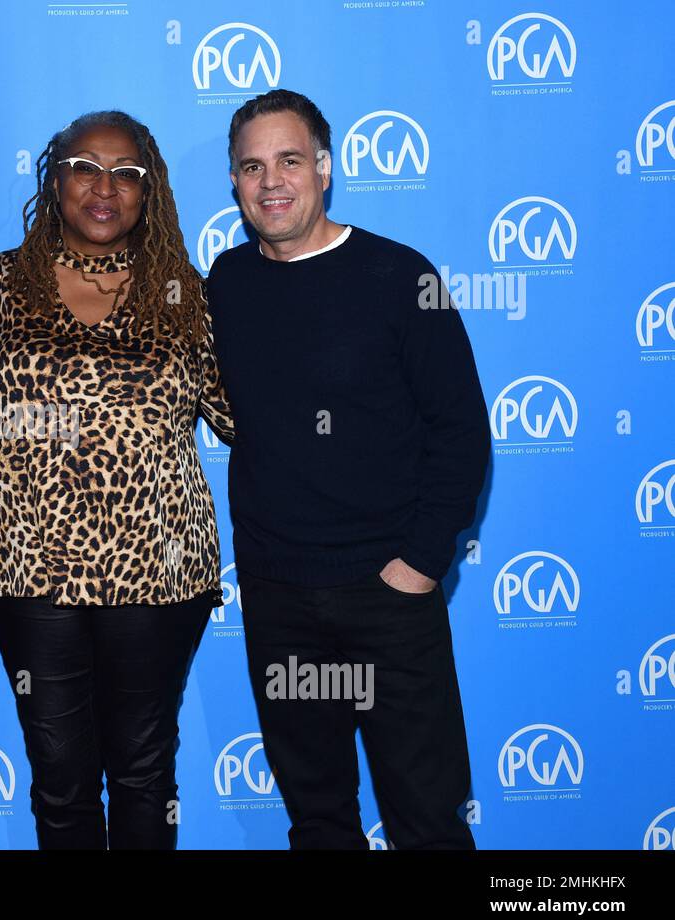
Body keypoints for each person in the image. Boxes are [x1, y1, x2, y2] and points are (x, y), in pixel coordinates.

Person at [207, 89, 489, 849]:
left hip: (389, 595)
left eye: (290, 160)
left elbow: (461, 433)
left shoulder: (400, 277)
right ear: (233, 182)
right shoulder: (224, 286)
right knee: (319, 820)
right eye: (252, 166)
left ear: (325, 169)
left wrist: (420, 565)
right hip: (278, 597)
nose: (272, 181)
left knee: (427, 819)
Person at [0, 110, 233, 849]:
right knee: (60, 777)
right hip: (28, 570)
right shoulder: (3, 285)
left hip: (158, 571)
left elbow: (239, 414)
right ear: (55, 182)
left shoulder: (185, 291)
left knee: (144, 773)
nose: (103, 187)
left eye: (126, 172)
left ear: (150, 191)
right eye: (85, 167)